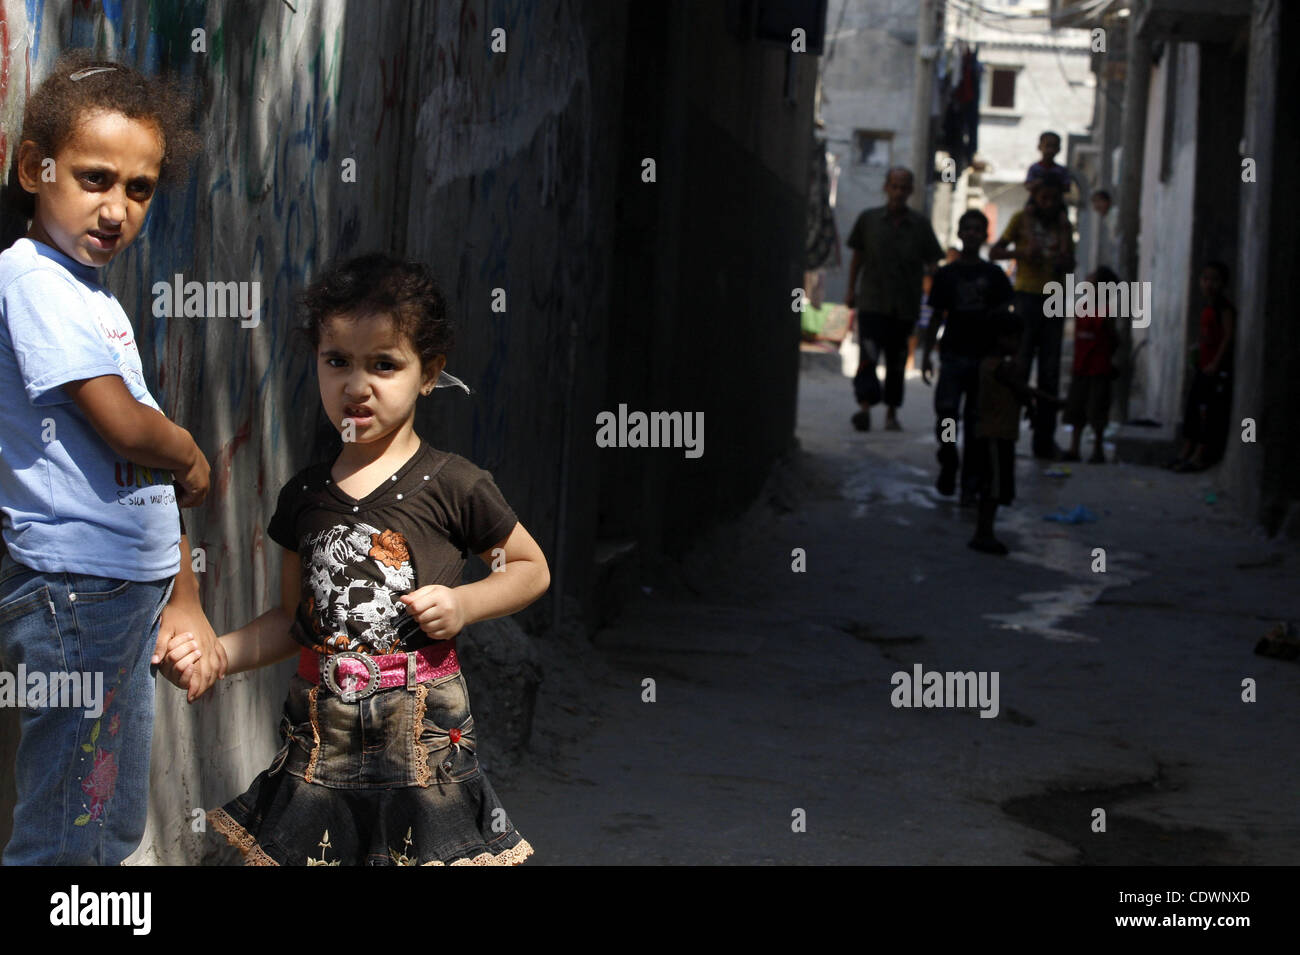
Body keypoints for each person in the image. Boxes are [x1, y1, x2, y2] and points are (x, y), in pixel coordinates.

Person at [184, 253, 550, 865]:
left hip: (424, 736)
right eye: (338, 362)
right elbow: (291, 620)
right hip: (319, 734)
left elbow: (528, 567)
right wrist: (220, 654)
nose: (357, 385)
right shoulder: (303, 497)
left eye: (384, 364)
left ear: (429, 373)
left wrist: (464, 602)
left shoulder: (453, 484)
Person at [0, 53, 220, 866]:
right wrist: (191, 450)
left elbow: (144, 482)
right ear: (35, 167)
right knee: (69, 837)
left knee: (104, 827)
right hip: (74, 597)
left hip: (114, 594)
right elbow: (131, 431)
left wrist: (181, 598)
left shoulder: (89, 295)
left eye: (140, 188)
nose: (116, 208)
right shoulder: (32, 281)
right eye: (94, 179)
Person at [922, 209, 1012, 504]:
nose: (972, 234)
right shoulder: (947, 275)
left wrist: (1003, 358)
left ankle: (970, 484)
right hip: (952, 356)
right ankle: (949, 461)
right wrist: (925, 356)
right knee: (947, 415)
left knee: (976, 425)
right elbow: (936, 316)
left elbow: (1004, 320)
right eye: (967, 229)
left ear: (986, 236)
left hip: (983, 361)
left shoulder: (995, 276)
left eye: (978, 229)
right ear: (959, 234)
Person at [844, 167, 944, 432]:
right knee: (868, 356)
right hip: (872, 302)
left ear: (910, 190)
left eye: (904, 187)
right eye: (894, 186)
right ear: (886, 187)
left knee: (897, 361)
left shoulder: (920, 225)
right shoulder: (869, 220)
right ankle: (865, 407)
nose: (899, 192)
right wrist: (850, 291)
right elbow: (857, 258)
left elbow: (933, 261)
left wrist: (939, 289)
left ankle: (891, 412)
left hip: (904, 306)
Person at [989, 172, 1075, 459]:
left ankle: (1044, 441)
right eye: (1043, 198)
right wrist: (1023, 253)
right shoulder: (1019, 221)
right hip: (1026, 297)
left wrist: (1064, 258)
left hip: (1055, 297)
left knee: (1050, 371)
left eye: (1053, 199)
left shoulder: (1064, 226)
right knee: (1021, 365)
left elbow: (1070, 264)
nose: (1048, 203)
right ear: (1035, 200)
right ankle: (1008, 434)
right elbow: (995, 252)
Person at [969, 314, 1061, 555]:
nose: (1019, 344)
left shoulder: (993, 365)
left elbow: (1018, 393)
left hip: (999, 434)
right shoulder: (999, 367)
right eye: (1015, 338)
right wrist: (1052, 402)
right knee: (993, 487)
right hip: (994, 435)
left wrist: (1030, 406)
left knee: (995, 485)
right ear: (1001, 339)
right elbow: (1022, 389)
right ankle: (983, 533)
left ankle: (984, 532)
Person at [1169, 261, 1235, 472]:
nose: (1209, 284)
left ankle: (1199, 456)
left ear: (1223, 283)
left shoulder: (1224, 308)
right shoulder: (1207, 308)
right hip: (1203, 366)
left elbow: (1228, 336)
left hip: (1214, 370)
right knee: (1193, 411)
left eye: (1214, 280)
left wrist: (1216, 362)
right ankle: (1186, 452)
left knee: (1208, 414)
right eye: (1205, 279)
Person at [1063, 266, 1120, 463]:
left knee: (1097, 411)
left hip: (1098, 369)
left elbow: (1112, 340)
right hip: (1081, 367)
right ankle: (1074, 448)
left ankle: (1097, 450)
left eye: (1092, 278)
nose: (1087, 278)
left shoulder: (1105, 312)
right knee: (1075, 409)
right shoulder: (1082, 307)